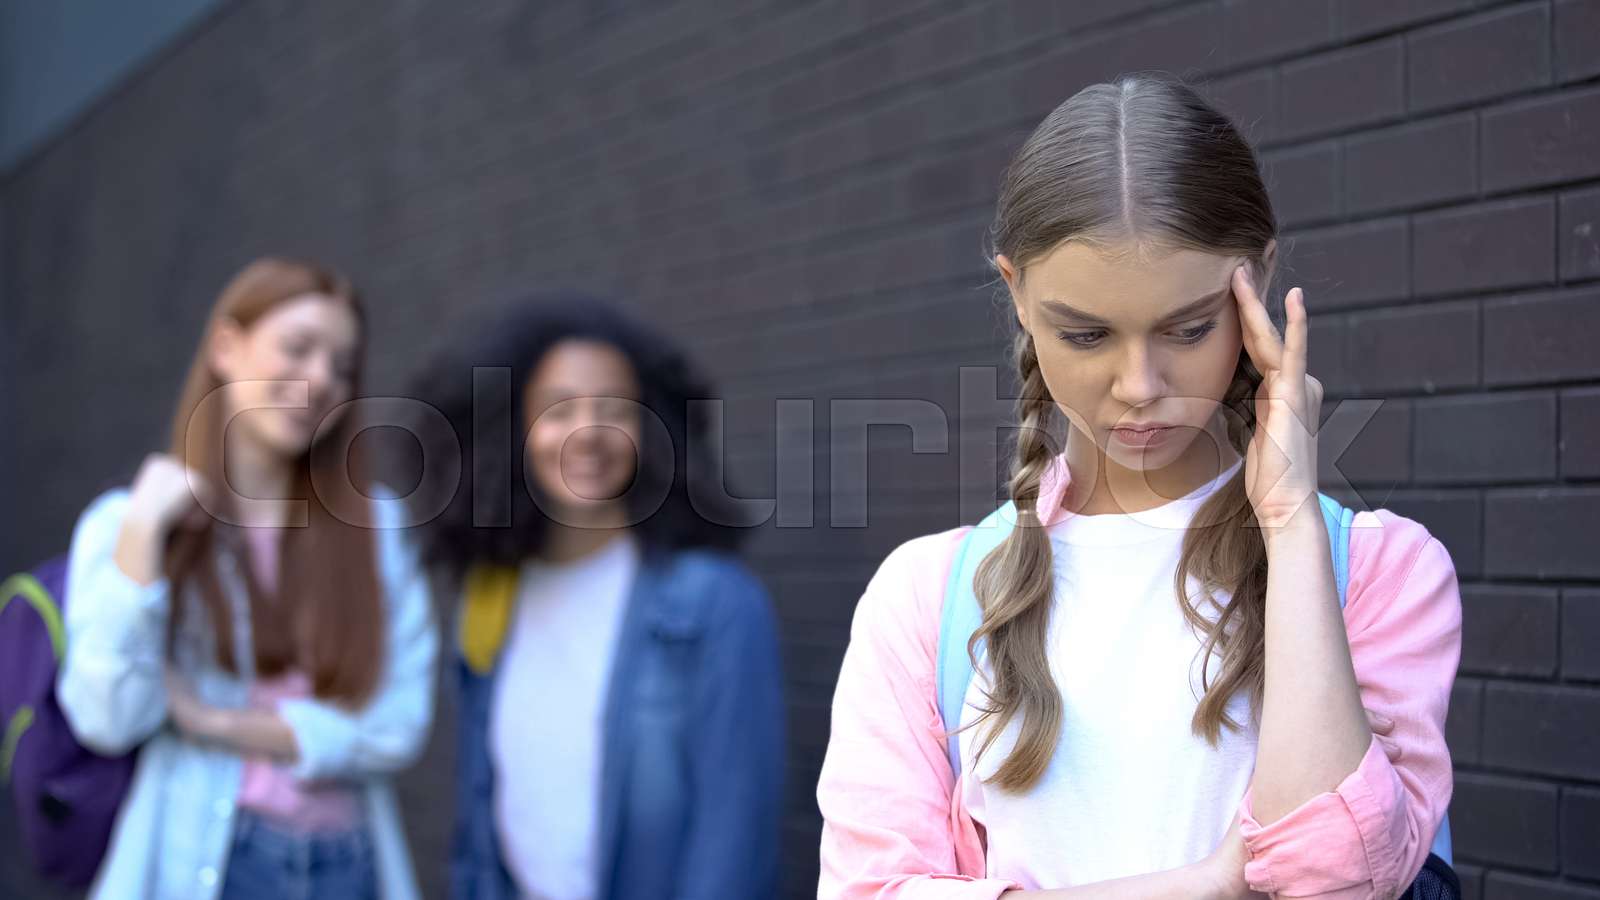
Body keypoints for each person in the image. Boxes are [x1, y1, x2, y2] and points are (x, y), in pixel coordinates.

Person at [817, 75, 1462, 899]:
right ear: (1018, 295)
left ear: (1257, 282)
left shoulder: (1375, 573)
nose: (1139, 385)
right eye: (1086, 335)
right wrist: (1214, 884)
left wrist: (1289, 519)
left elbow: (1338, 880)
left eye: (1188, 329)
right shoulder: (928, 599)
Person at [58, 257, 438, 900]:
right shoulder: (129, 522)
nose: (320, 379)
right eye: (298, 348)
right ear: (226, 348)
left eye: (342, 366)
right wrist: (144, 535)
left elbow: (398, 726)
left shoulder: (377, 526)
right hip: (214, 863)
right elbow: (108, 718)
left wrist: (214, 722)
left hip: (350, 865)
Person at [411, 296, 786, 900]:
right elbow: (478, 818)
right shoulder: (490, 598)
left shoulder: (713, 603)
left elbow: (733, 841)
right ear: (515, 431)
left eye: (614, 410)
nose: (587, 433)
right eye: (558, 410)